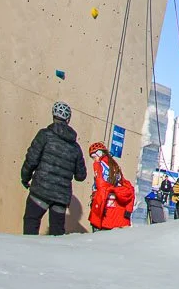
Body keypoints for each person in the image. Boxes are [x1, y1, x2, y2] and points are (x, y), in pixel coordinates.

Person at [20, 101, 87, 235]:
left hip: (40, 190)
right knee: (56, 234)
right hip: (61, 198)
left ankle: (26, 253)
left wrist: (25, 178)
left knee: (31, 222)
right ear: (68, 120)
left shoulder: (44, 135)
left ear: (53, 116)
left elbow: (31, 159)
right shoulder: (75, 147)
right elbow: (81, 176)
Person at [86, 141, 135, 231]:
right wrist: (128, 211)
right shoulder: (115, 167)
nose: (94, 159)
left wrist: (96, 165)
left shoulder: (101, 165)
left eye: (94, 156)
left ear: (99, 154)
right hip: (118, 217)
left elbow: (101, 185)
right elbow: (130, 191)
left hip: (105, 213)